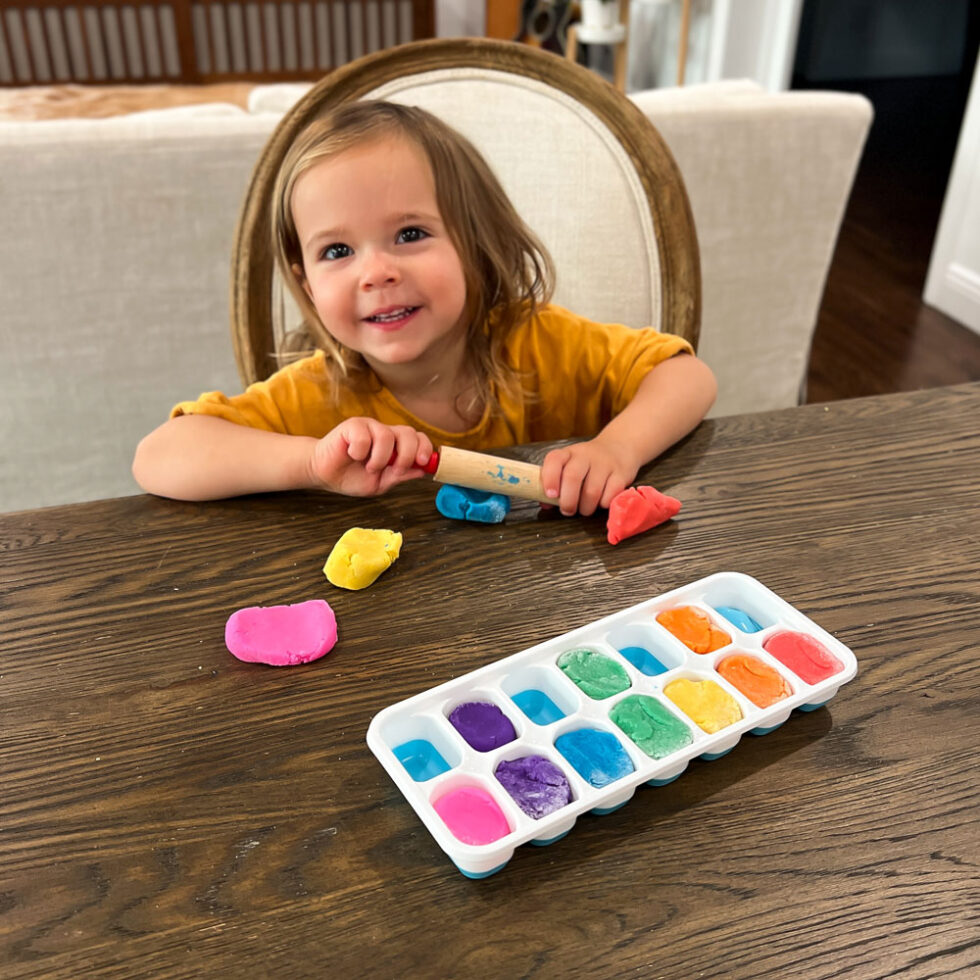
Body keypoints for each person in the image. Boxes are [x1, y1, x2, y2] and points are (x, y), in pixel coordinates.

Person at [133, 100, 716, 517]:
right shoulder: (316, 394)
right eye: (336, 250)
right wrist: (312, 463)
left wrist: (618, 447)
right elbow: (159, 457)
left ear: (474, 241)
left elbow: (685, 375)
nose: (376, 271)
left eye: (410, 234)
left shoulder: (539, 341)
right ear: (306, 285)